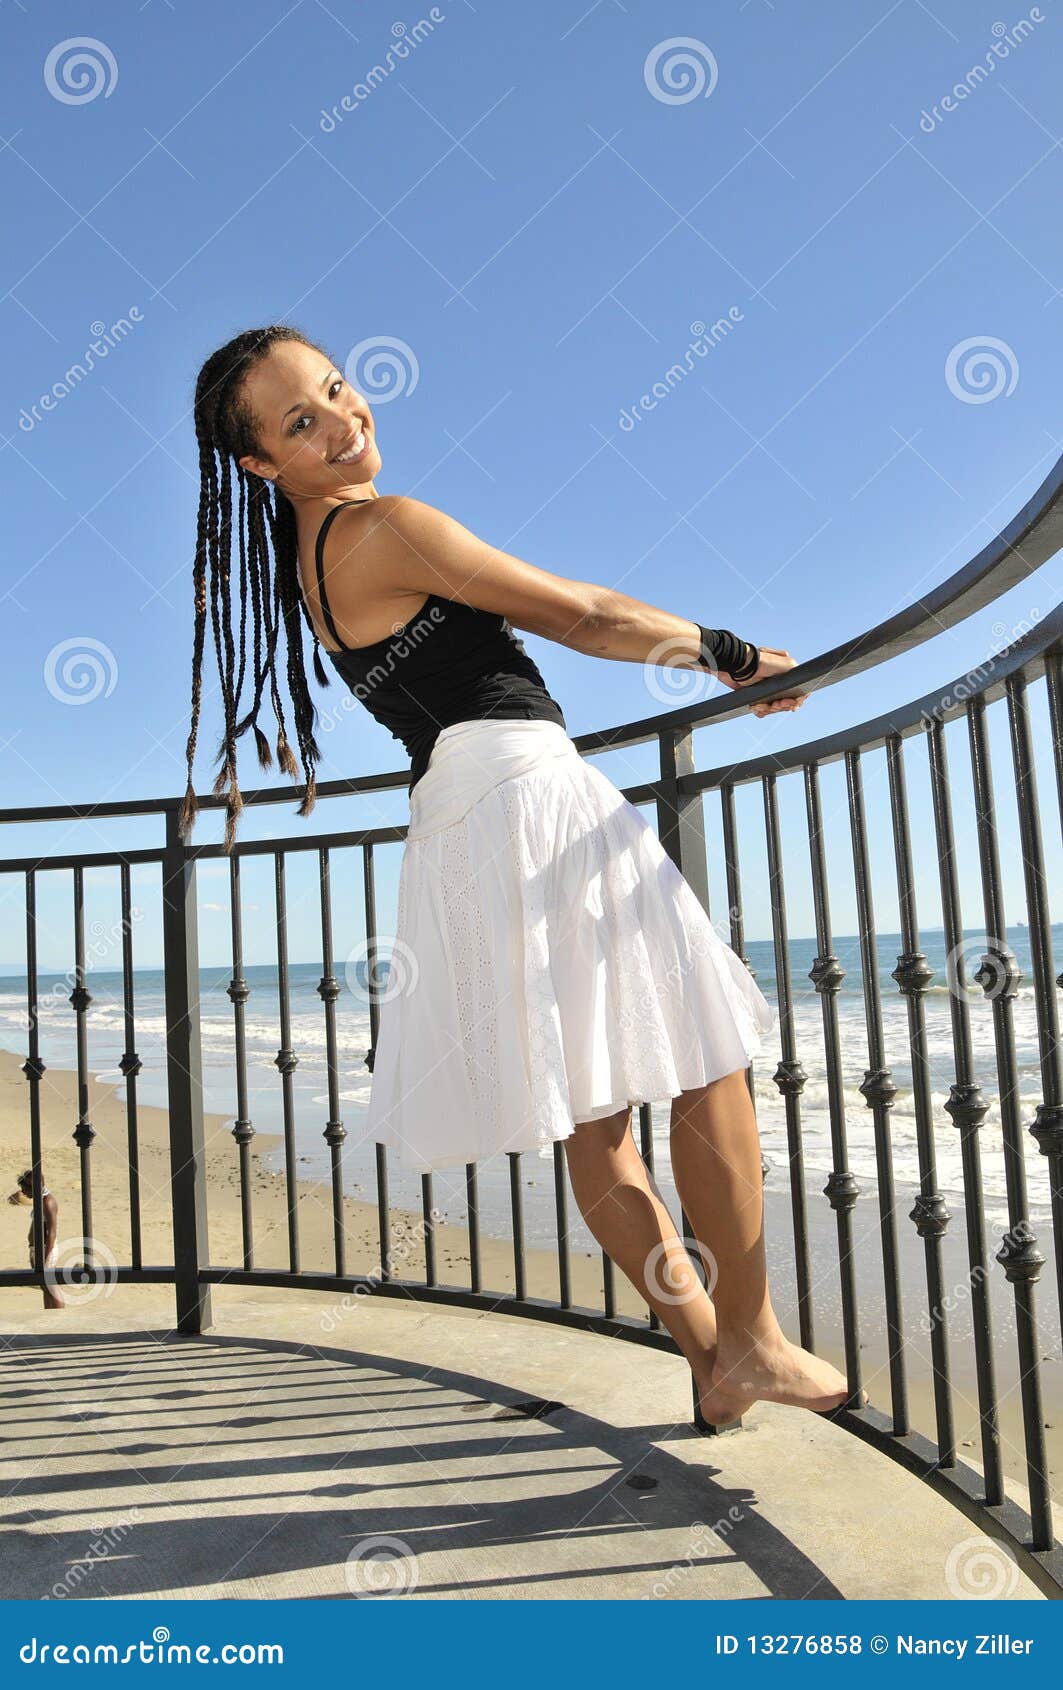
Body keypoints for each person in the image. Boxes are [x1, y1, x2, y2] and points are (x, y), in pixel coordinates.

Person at [178, 325, 867, 1425]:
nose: (346, 418)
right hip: (525, 792)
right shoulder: (386, 525)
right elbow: (577, 612)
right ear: (263, 465)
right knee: (706, 1059)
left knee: (595, 1122)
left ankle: (708, 1360)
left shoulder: (309, 569)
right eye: (301, 421)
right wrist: (730, 655)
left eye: (339, 389)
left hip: (456, 816)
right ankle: (755, 1337)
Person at [7, 1169, 64, 1310]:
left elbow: (52, 1231)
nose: (23, 1192)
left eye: (25, 1189)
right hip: (38, 1248)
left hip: (45, 1248)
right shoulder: (40, 1200)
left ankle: (60, 1316)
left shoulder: (47, 1201)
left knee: (50, 1284)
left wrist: (46, 1257)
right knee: (43, 1285)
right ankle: (49, 1314)